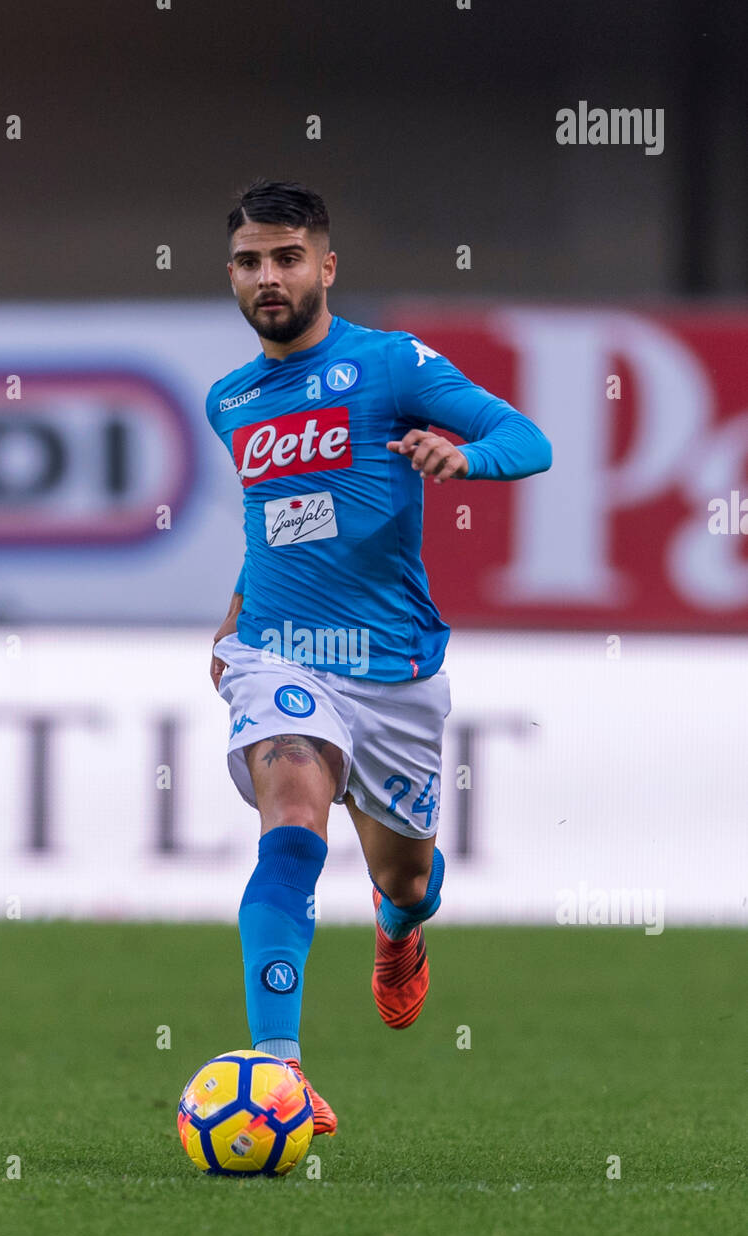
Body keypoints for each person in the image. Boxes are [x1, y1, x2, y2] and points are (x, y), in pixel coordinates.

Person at [206, 180, 551, 1134]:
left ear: (325, 265)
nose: (267, 277)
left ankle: (399, 931)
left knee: (407, 877)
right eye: (248, 261)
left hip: (392, 665)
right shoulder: (229, 400)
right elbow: (271, 521)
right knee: (292, 816)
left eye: (286, 257)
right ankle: (280, 1073)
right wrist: (235, 614)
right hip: (278, 653)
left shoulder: (391, 364)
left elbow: (529, 438)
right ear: (231, 274)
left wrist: (463, 461)